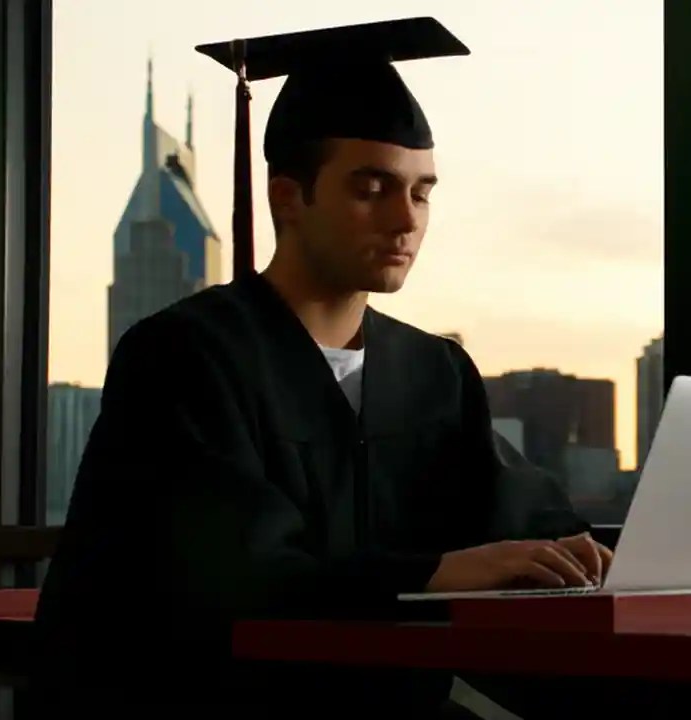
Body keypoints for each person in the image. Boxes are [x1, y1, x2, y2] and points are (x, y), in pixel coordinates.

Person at [32, 17, 611, 716]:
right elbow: (235, 571)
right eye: (372, 188)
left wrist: (590, 556)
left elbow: (524, 517)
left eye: (422, 191)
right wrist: (437, 570)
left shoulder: (434, 371)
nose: (406, 219)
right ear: (288, 198)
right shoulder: (186, 356)